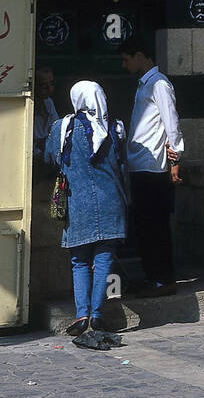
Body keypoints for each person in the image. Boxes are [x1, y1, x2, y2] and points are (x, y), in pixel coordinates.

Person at [45, 80, 128, 352]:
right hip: (111, 202)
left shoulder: (61, 128)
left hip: (77, 203)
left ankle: (81, 315)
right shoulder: (114, 128)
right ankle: (97, 314)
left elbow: (50, 159)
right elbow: (122, 163)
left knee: (79, 261)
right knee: (103, 259)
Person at [121, 43, 183, 297]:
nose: (124, 65)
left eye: (126, 59)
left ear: (140, 54)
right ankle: (151, 277)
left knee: (155, 225)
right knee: (144, 225)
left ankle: (163, 279)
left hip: (153, 168)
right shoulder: (144, 83)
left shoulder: (158, 84)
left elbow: (171, 121)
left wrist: (176, 157)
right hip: (140, 165)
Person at [33, 66, 59, 163]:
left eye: (52, 84)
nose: (49, 89)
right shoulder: (27, 107)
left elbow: (56, 131)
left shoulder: (48, 103)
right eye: (44, 86)